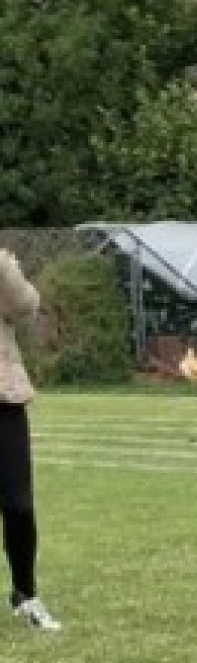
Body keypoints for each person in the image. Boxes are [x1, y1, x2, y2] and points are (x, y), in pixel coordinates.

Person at [0, 245, 57, 630]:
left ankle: (26, 594)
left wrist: (4, 265)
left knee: (18, 503)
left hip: (3, 396)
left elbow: (24, 306)